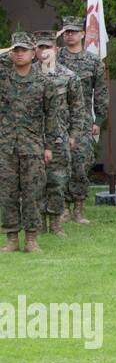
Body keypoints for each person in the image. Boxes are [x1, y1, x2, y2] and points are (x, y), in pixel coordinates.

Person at [0, 34, 56, 253]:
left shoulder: (44, 82)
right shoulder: (3, 78)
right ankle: (11, 238)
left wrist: (49, 146)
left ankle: (31, 238)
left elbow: (51, 116)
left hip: (33, 146)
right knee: (7, 193)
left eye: (24, 50)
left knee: (32, 193)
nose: (19, 53)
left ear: (34, 53)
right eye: (16, 50)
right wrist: (7, 50)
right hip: (5, 146)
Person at [35, 31, 86, 237]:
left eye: (48, 47)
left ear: (56, 49)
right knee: (35, 182)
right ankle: (38, 223)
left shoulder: (68, 76)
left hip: (59, 137)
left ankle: (55, 223)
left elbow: (78, 108)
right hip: (33, 138)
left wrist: (73, 134)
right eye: (39, 47)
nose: (44, 51)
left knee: (57, 182)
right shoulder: (27, 75)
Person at [57, 15, 108, 224]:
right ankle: (63, 208)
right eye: (66, 32)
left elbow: (101, 92)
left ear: (82, 34)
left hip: (83, 121)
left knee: (80, 164)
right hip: (57, 120)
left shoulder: (93, 61)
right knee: (60, 166)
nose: (70, 35)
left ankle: (78, 207)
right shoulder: (56, 58)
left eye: (74, 32)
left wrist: (99, 120)